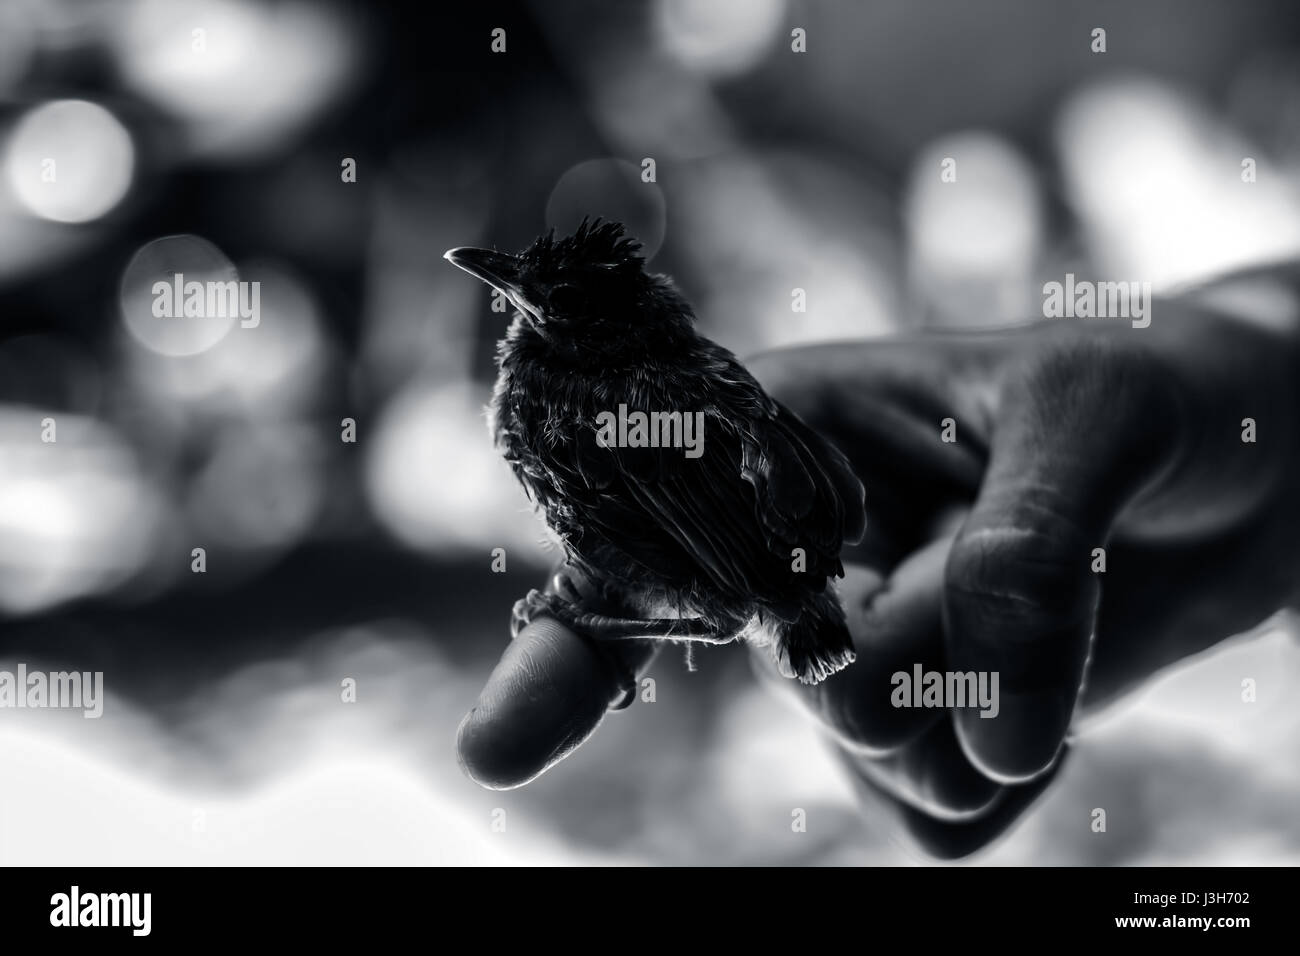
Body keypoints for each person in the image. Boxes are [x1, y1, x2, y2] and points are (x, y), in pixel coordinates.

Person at [457, 263, 1300, 858]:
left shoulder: (583, 395)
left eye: (553, 302)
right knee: (923, 734)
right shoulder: (612, 383)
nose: (516, 295)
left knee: (926, 742)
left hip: (768, 568)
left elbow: (721, 587)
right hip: (801, 565)